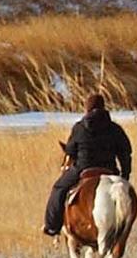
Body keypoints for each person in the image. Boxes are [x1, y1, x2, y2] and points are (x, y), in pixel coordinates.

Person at [43, 93, 131, 237]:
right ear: (104, 108)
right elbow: (125, 153)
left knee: (59, 188)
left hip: (83, 169)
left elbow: (70, 150)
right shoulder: (115, 128)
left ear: (87, 109)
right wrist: (125, 175)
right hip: (109, 170)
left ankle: (52, 226)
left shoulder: (79, 127)